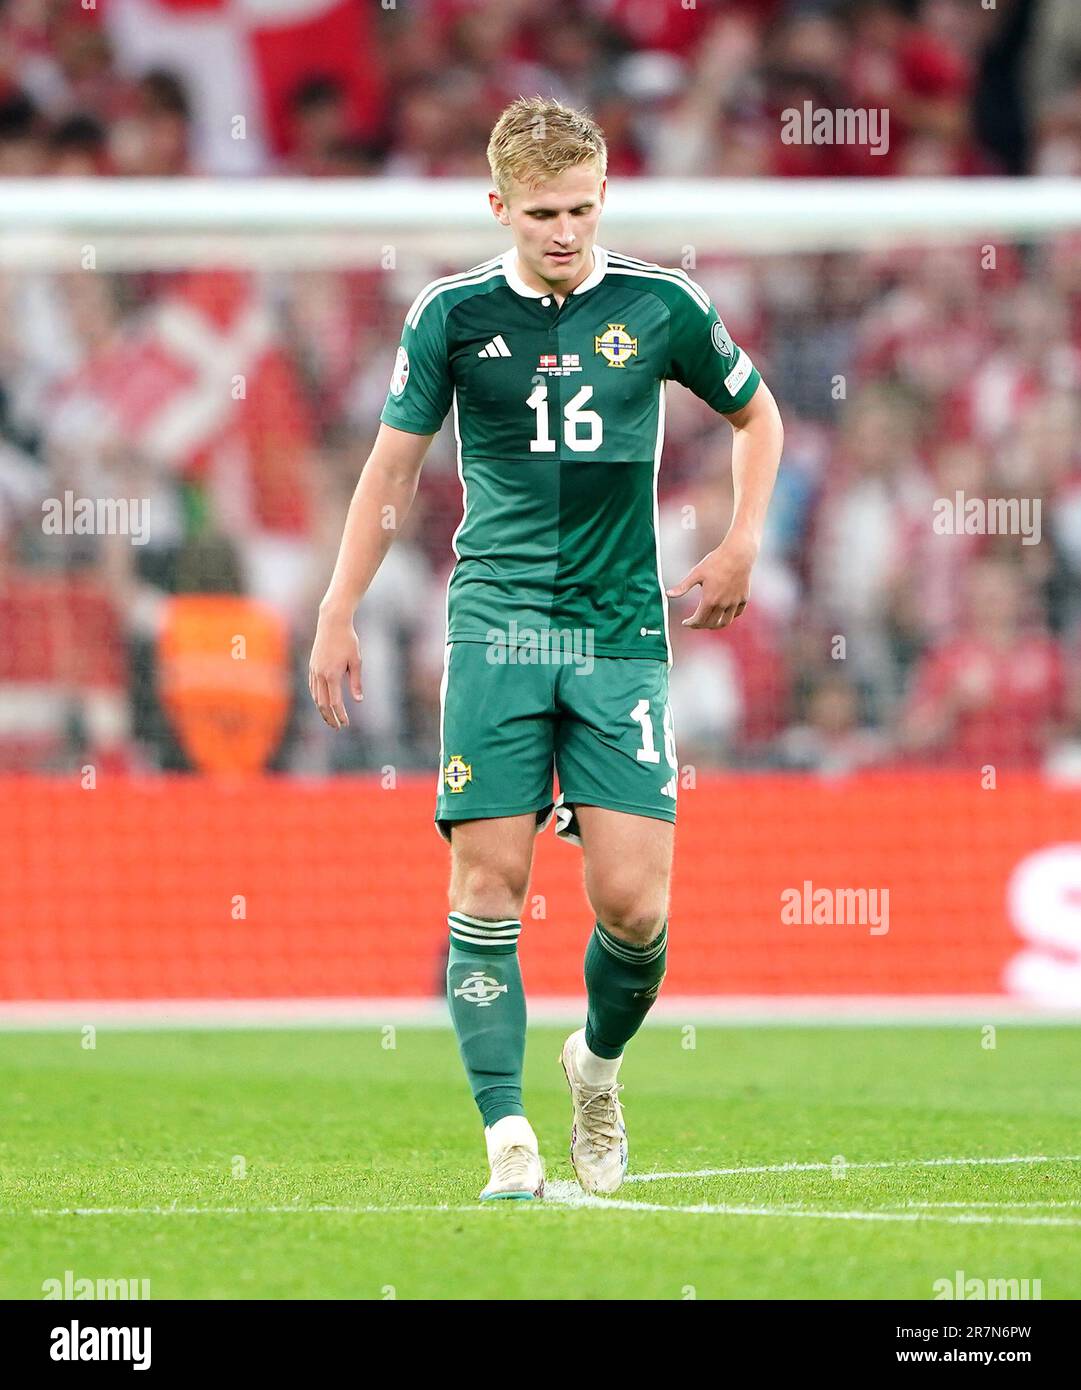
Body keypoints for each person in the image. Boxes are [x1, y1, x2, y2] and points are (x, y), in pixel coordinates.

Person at [308, 97, 783, 1200]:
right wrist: (340, 603)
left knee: (633, 907)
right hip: (497, 623)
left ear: (604, 196)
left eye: (579, 207)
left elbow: (758, 418)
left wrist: (740, 540)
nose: (562, 230)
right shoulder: (451, 315)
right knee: (488, 877)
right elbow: (391, 472)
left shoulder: (662, 306)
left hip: (619, 631)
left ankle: (595, 1066)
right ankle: (506, 1136)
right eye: (539, 213)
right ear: (499, 208)